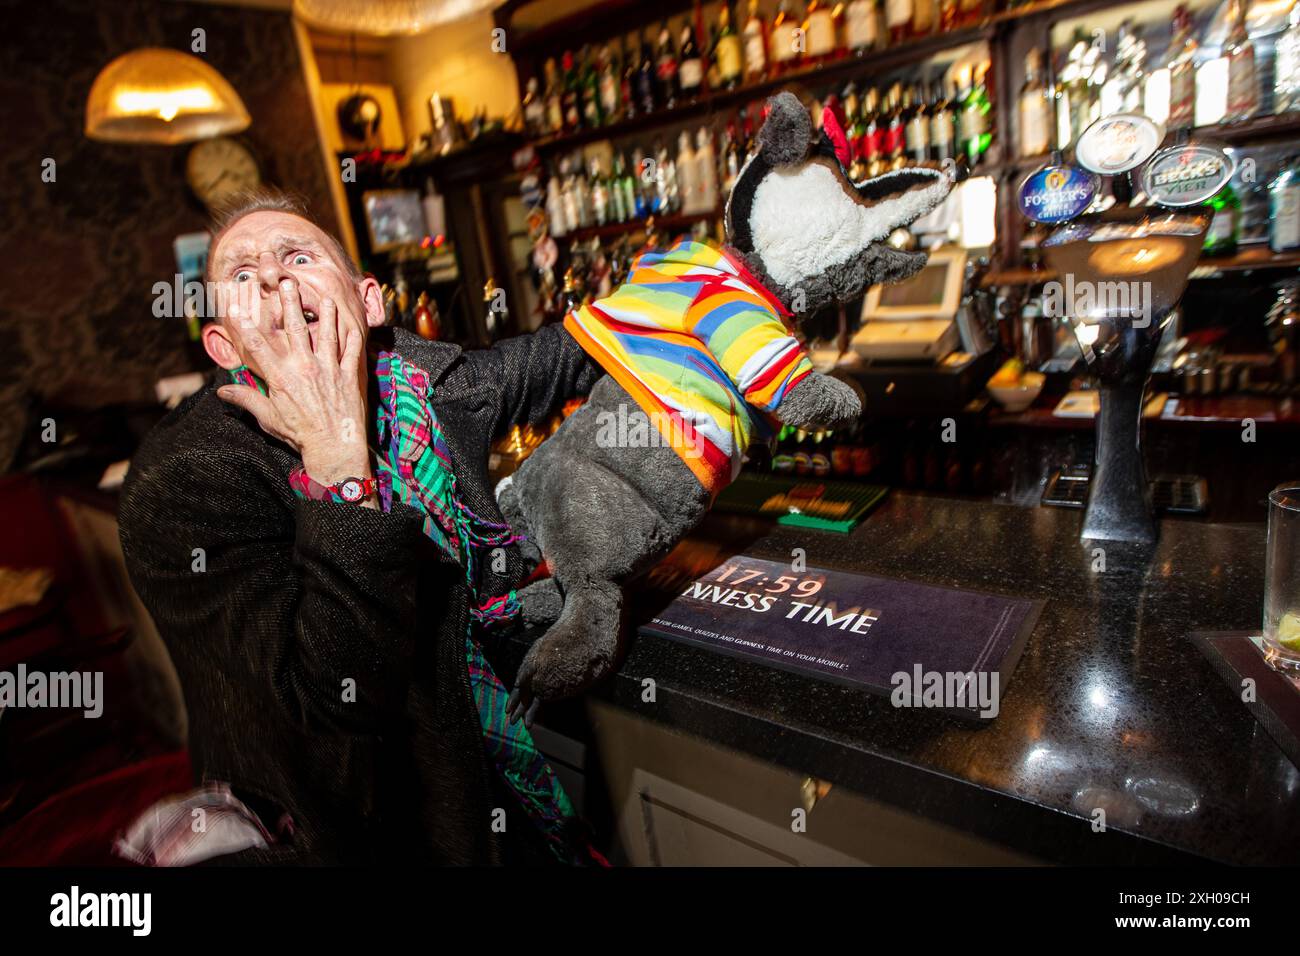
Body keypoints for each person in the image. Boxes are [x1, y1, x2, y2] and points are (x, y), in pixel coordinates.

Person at [118, 189, 602, 865]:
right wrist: (339, 459)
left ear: (368, 302)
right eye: (243, 274)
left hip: (494, 768)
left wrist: (732, 281)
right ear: (224, 344)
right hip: (366, 833)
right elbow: (337, 700)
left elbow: (573, 351)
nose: (274, 278)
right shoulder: (184, 479)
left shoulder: (425, 383)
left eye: (297, 255)